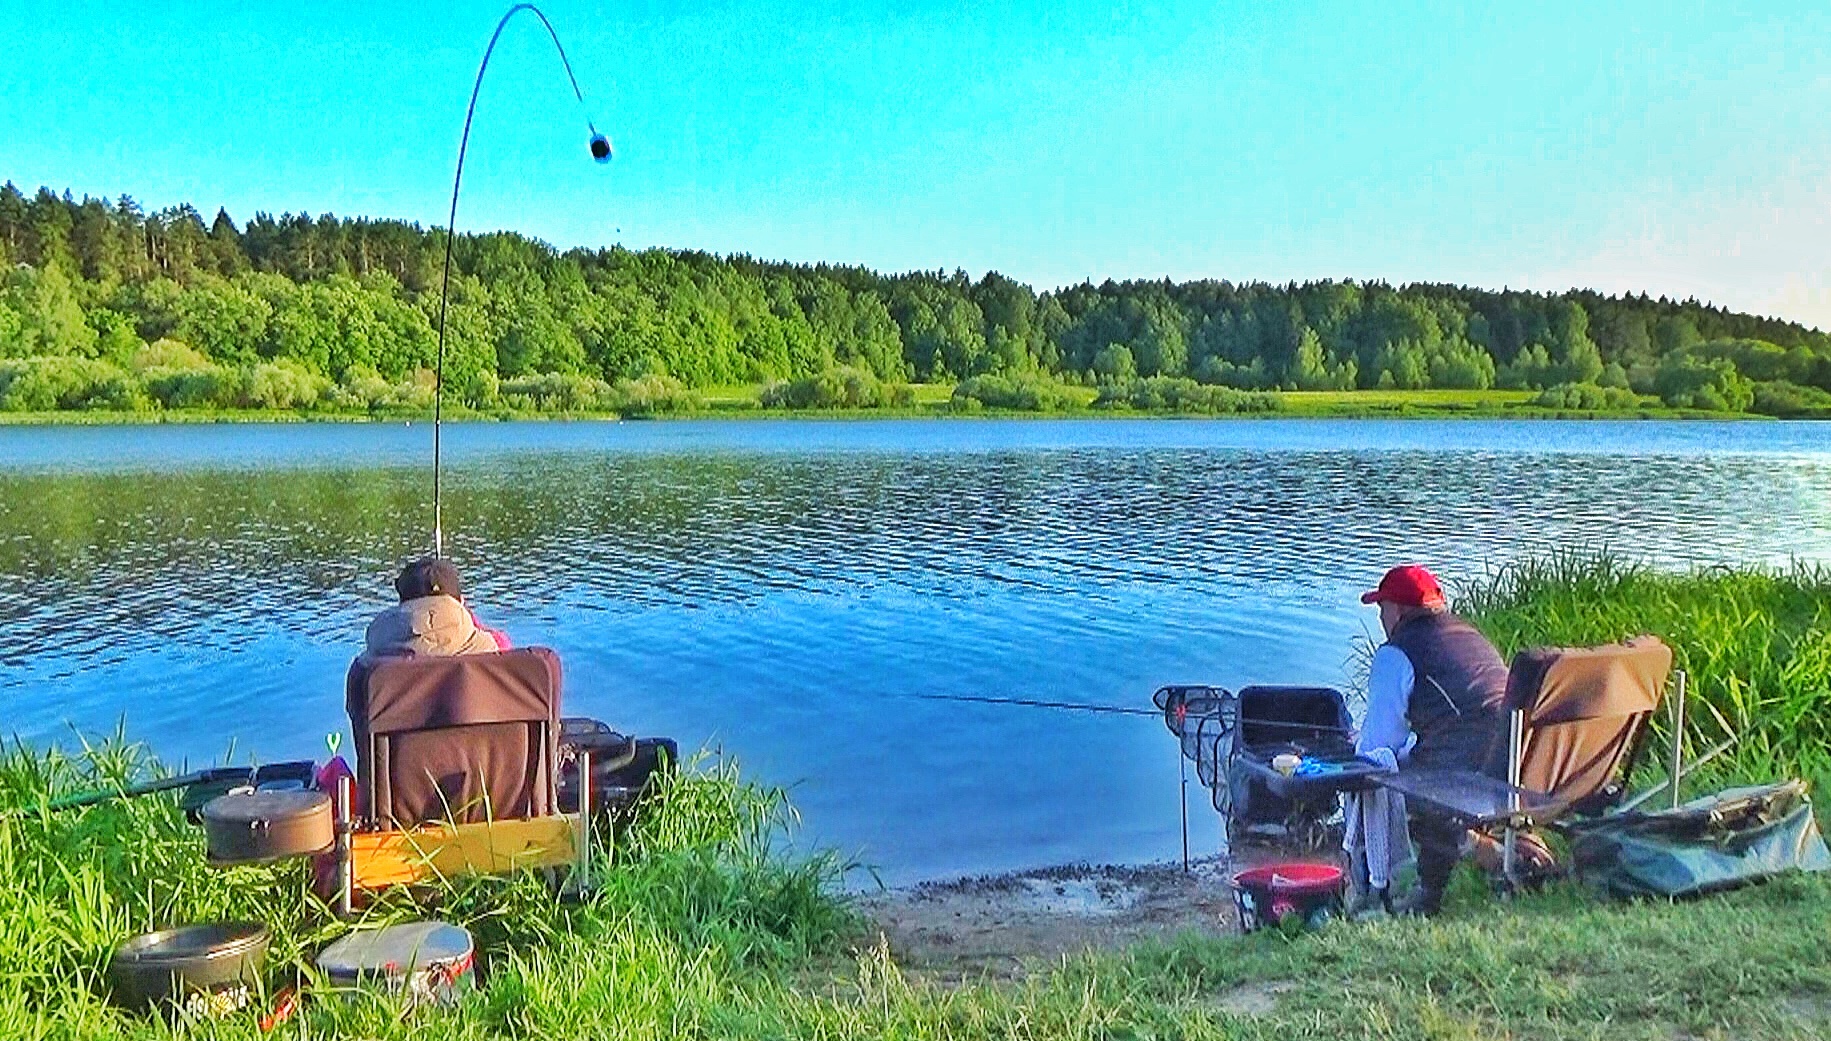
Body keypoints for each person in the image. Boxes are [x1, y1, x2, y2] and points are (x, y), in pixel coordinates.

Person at [1356, 563, 1509, 916]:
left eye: (1382, 608)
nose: (1381, 617)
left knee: (1384, 777)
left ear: (1398, 611)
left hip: (1462, 771)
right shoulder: (1470, 635)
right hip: (1513, 757)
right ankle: (1487, 848)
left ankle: (1424, 893)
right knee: (1416, 757)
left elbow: (1379, 745)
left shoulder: (1396, 654)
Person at [361, 556, 510, 661]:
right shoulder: (493, 647)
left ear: (404, 603)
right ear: (461, 601)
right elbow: (501, 644)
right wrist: (468, 617)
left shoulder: (375, 649)